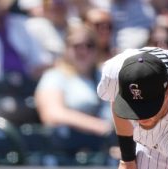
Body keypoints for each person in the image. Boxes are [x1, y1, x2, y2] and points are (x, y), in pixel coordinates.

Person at [33, 24, 113, 156]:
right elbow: (52, 114)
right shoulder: (54, 76)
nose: (83, 51)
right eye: (77, 46)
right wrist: (99, 126)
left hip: (105, 149)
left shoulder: (105, 76)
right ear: (66, 48)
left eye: (89, 45)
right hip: (69, 152)